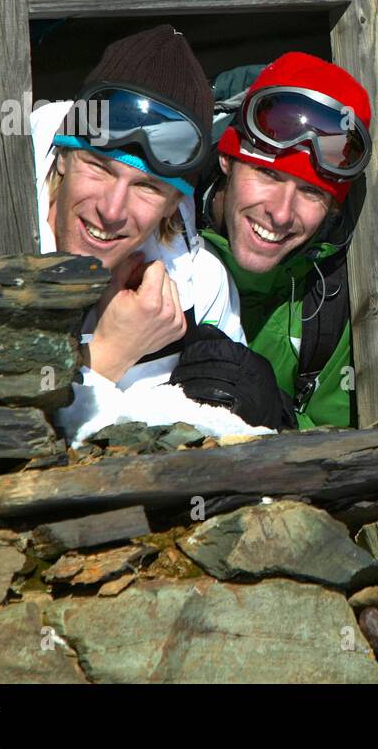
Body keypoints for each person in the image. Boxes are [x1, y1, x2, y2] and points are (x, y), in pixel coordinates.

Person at [32, 24, 255, 443]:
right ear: (61, 157)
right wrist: (109, 355)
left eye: (146, 187)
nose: (111, 210)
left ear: (175, 203)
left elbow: (228, 441)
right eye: (99, 167)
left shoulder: (200, 285)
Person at [184, 52, 372, 430]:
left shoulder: (333, 300)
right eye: (268, 175)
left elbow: (342, 448)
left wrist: (276, 418)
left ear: (333, 209)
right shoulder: (156, 233)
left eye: (311, 192)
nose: (282, 214)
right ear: (226, 159)